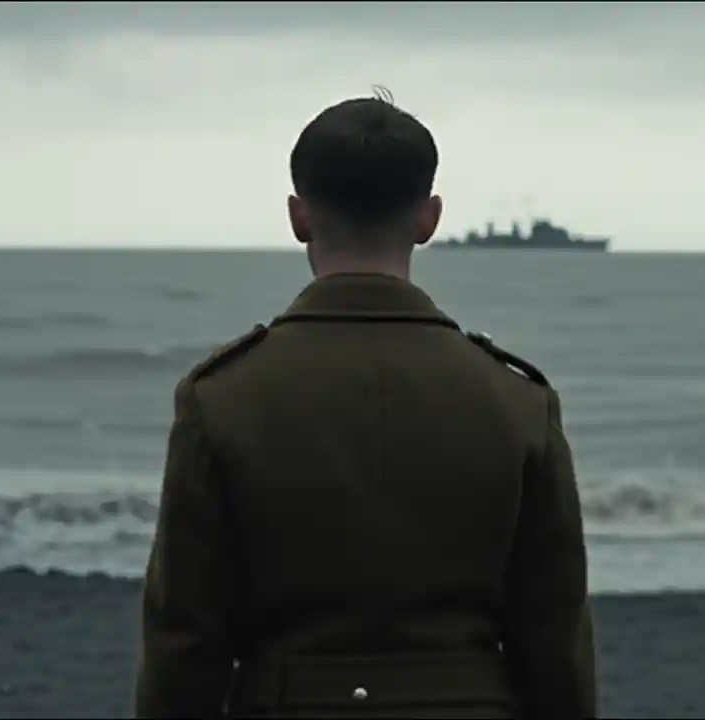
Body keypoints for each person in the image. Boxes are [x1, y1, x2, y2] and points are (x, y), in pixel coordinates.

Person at [134, 92, 597, 719]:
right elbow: (555, 641)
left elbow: (184, 642)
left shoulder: (221, 397)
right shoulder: (517, 400)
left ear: (298, 217)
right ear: (429, 219)